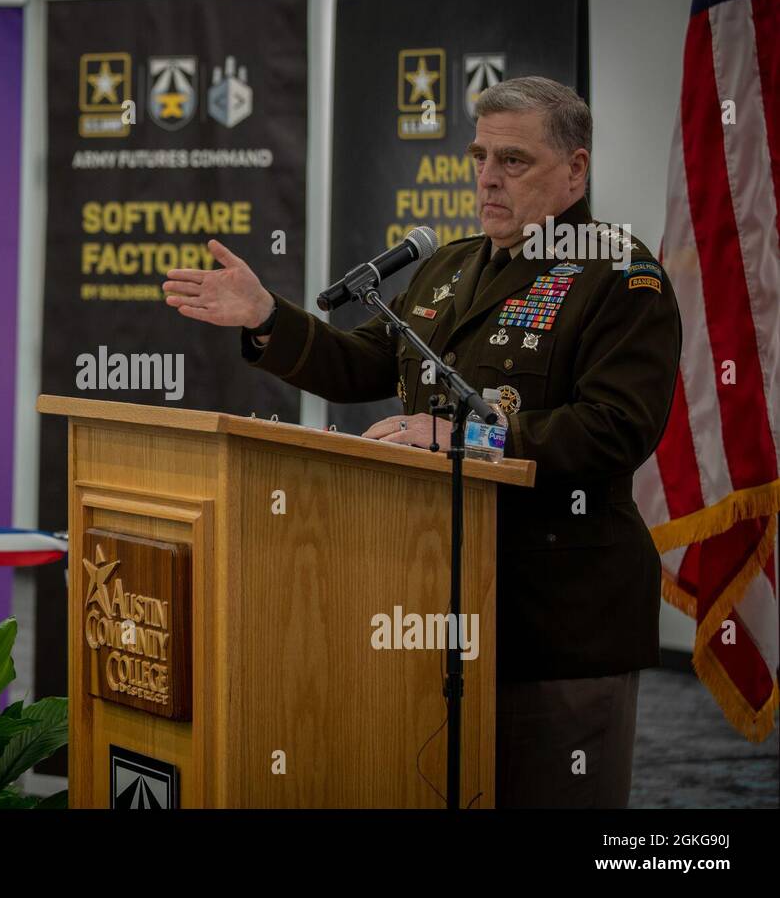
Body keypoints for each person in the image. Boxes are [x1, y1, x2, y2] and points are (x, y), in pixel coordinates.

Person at [162, 76, 681, 808]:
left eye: (514, 160)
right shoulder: (449, 266)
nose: (487, 178)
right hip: (429, 596)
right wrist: (266, 317)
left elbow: (616, 427)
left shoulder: (618, 276)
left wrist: (469, 435)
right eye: (478, 156)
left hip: (555, 613)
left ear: (576, 171)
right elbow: (362, 364)